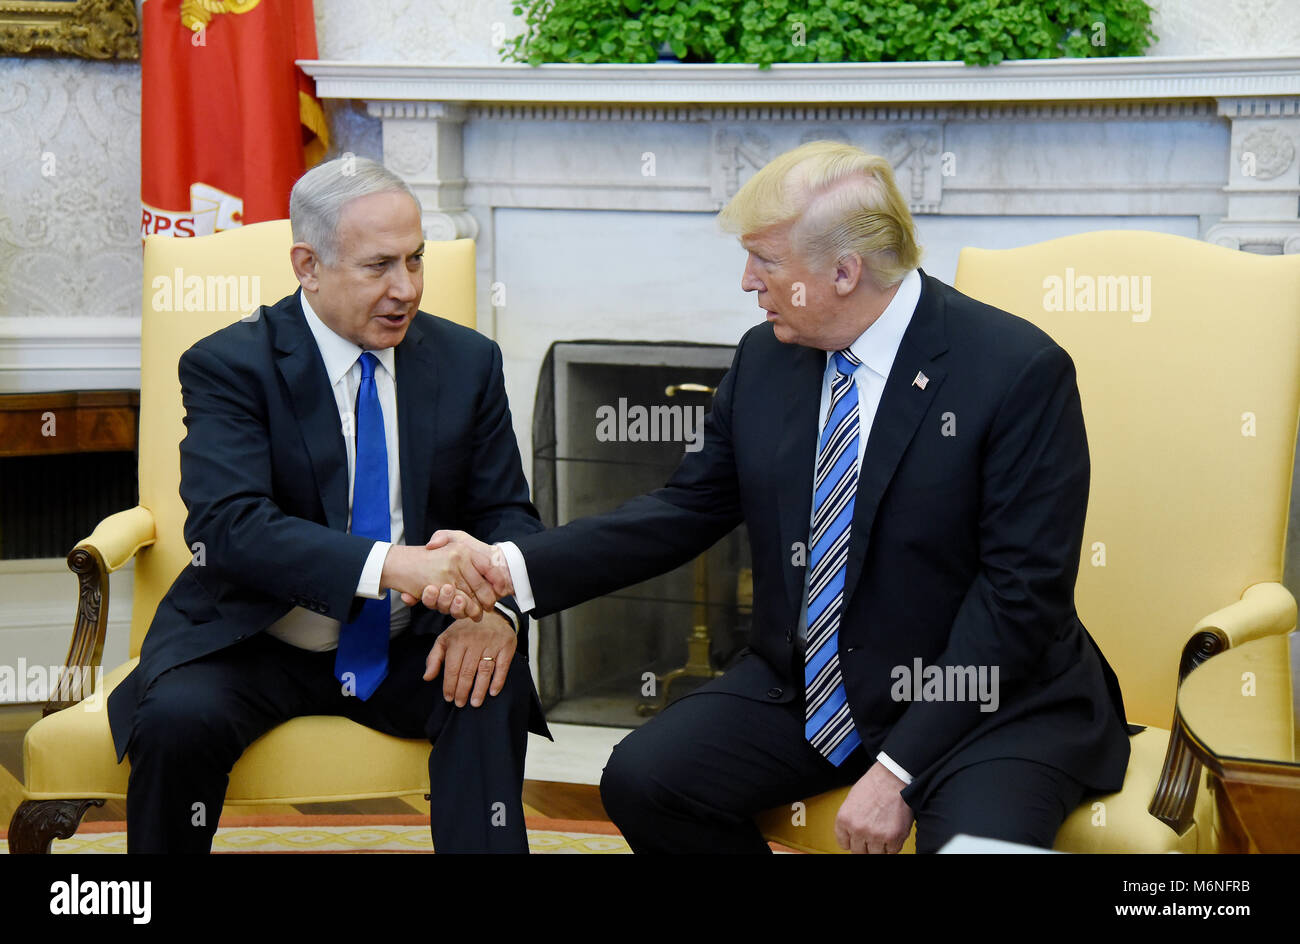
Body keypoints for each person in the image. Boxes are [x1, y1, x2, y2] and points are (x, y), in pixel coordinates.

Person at [417, 141, 1133, 854]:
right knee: (646, 780)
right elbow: (682, 511)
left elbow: (1018, 598)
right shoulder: (769, 357)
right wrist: (509, 567)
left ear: (845, 271)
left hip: (982, 703)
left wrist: (897, 769)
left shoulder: (1015, 371)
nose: (746, 282)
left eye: (765, 260)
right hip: (812, 691)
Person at [107, 156, 549, 854]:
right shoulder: (231, 365)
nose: (407, 288)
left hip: (410, 642)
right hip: (254, 639)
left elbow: (509, 516)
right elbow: (230, 527)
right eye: (379, 266)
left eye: (416, 259)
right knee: (175, 722)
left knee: (490, 682)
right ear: (307, 265)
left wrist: (495, 612)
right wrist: (392, 565)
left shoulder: (468, 362)